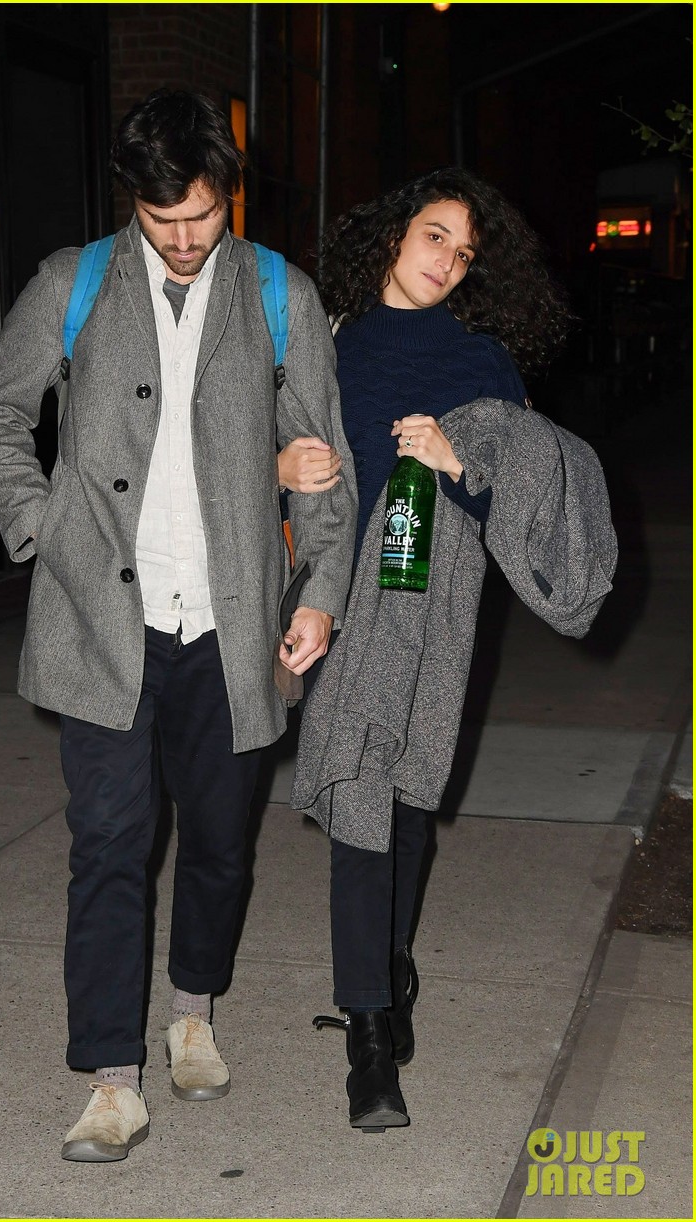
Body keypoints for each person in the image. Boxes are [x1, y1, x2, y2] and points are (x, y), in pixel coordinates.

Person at [0, 87, 357, 1162]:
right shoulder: (71, 282)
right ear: (129, 200)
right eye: (160, 217)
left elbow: (324, 464)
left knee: (220, 846)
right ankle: (110, 1076)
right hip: (103, 626)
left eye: (201, 214)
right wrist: (41, 527)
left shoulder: (281, 295)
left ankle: (193, 1012)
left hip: (233, 631)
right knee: (109, 847)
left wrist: (318, 594)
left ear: (232, 193)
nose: (182, 239)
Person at [289, 168, 616, 1131]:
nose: (446, 261)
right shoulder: (326, 345)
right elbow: (274, 463)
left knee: (403, 797)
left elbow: (525, 506)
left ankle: (385, 968)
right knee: (359, 789)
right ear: (392, 234)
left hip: (432, 606)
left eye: (463, 252)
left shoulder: (482, 364)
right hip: (338, 601)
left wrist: (458, 462)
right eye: (434, 236)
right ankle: (368, 1037)